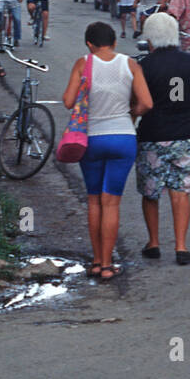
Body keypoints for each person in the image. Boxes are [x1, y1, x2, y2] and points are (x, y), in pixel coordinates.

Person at [61, 21, 151, 281]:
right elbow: (146, 102)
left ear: (89, 43)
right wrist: (128, 114)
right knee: (112, 202)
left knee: (94, 201)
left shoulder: (83, 63)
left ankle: (97, 261)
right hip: (123, 138)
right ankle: (109, 265)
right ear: (113, 42)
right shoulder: (130, 64)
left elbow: (68, 101)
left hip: (91, 139)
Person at [135, 12, 190, 266]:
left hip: (153, 135)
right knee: (180, 192)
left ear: (149, 39)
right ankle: (181, 247)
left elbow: (136, 103)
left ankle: (153, 243)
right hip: (187, 135)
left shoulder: (143, 66)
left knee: (151, 192)